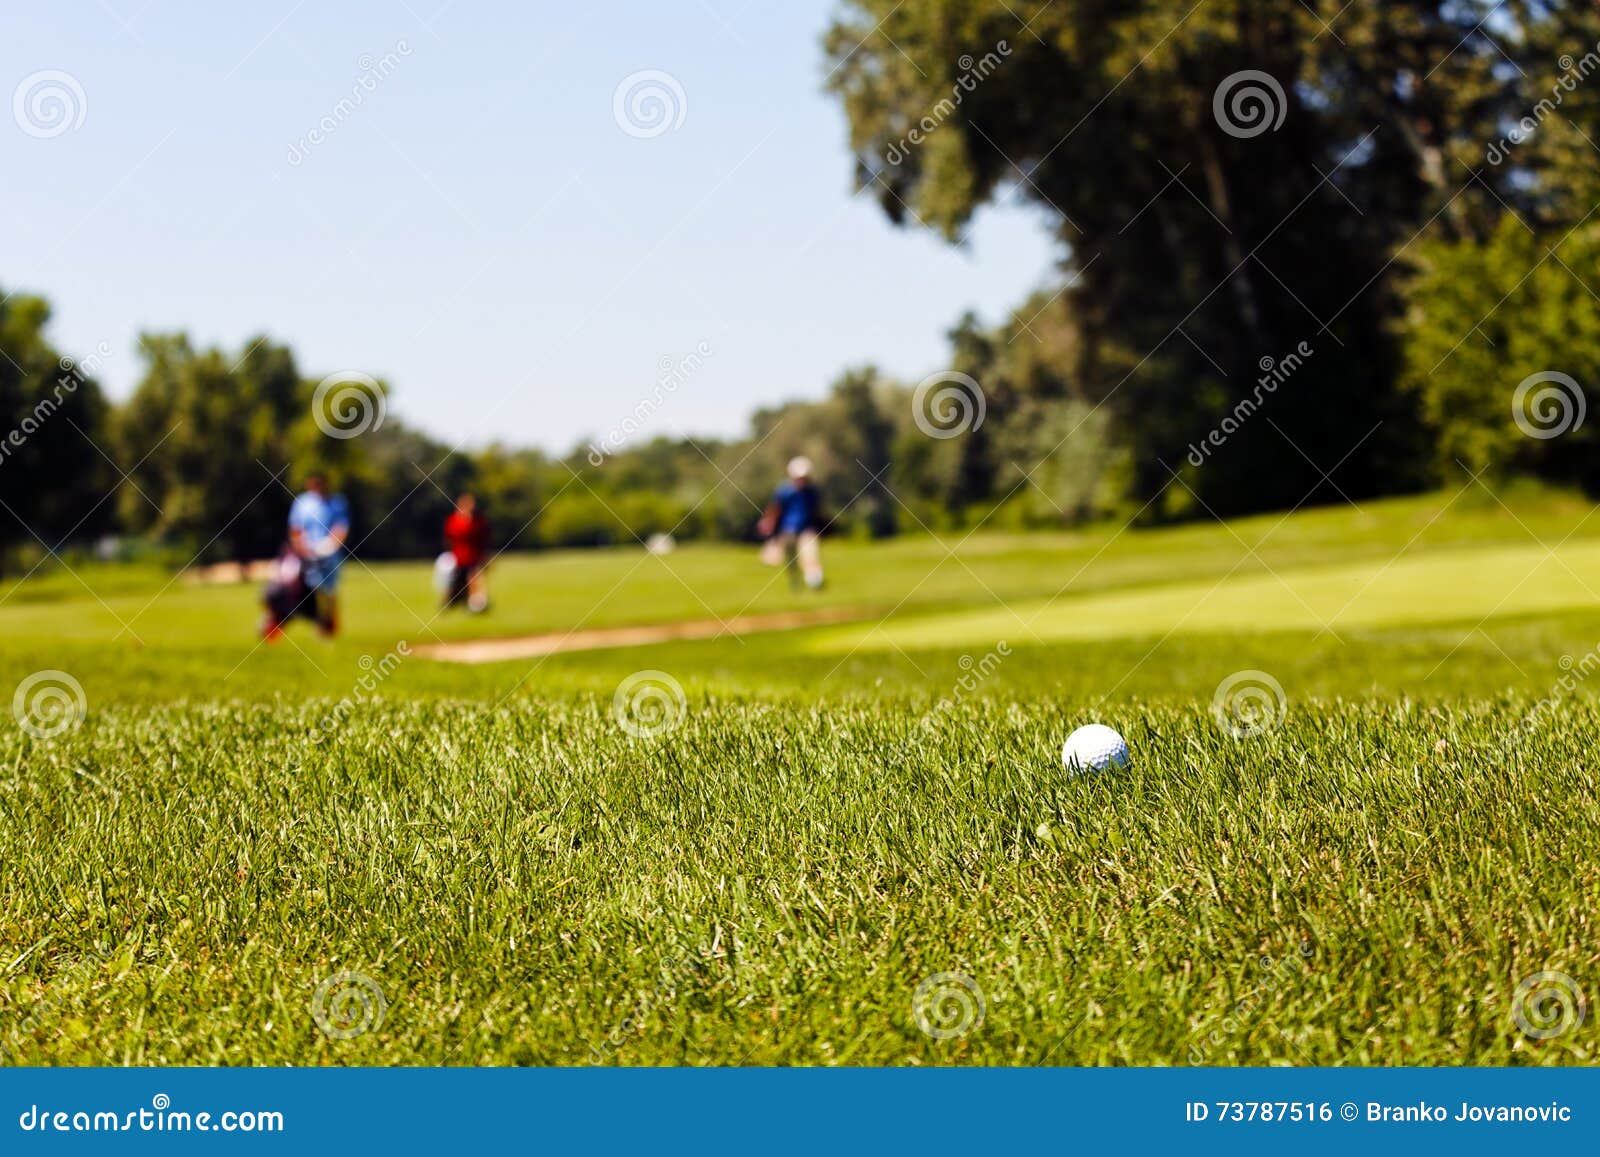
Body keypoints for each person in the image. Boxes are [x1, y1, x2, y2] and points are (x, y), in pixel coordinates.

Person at [276, 473, 349, 639]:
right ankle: (319, 624)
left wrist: (330, 546)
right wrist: (303, 549)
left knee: (329, 591)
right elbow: (295, 530)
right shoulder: (302, 502)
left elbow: (341, 527)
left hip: (330, 555)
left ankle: (330, 628)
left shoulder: (337, 502)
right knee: (310, 590)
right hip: (307, 554)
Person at [756, 456, 825, 590]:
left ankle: (815, 582)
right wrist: (769, 522)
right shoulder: (784, 491)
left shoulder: (812, 492)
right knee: (791, 560)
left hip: (807, 530)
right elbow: (775, 509)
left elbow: (816, 511)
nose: (801, 480)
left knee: (810, 554)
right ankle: (795, 583)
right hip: (788, 531)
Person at [441, 492, 491, 613]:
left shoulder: (478, 521)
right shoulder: (453, 520)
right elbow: (448, 539)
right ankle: (450, 604)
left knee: (474, 580)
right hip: (458, 559)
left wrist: (485, 557)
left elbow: (484, 539)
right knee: (454, 584)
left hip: (473, 558)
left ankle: (477, 604)